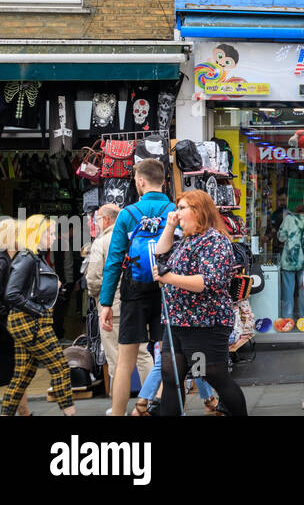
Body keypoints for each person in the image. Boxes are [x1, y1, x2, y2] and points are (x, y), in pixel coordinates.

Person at [151, 189, 248, 416]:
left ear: (198, 211)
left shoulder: (214, 240)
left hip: (204, 324)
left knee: (212, 374)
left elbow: (209, 281)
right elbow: (160, 255)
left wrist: (170, 278)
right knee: (171, 376)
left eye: (182, 208)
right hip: (177, 321)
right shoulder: (186, 240)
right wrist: (169, 227)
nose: (176, 213)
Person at [98, 157, 176, 417]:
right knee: (168, 358)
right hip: (168, 288)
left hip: (134, 290)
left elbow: (114, 262)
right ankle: (160, 408)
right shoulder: (175, 210)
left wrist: (106, 303)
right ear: (163, 181)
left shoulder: (127, 214)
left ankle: (118, 413)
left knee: (125, 361)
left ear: (140, 181)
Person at [2, 215, 75, 416]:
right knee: (60, 367)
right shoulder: (27, 257)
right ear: (37, 234)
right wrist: (39, 311)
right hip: (30, 323)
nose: (53, 237)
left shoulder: (34, 257)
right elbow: (11, 293)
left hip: (28, 321)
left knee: (22, 376)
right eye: (49, 233)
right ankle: (70, 413)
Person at [84, 203, 152, 405]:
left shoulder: (101, 241)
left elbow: (93, 278)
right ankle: (151, 400)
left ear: (106, 219)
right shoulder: (133, 236)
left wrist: (96, 295)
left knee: (116, 358)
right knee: (142, 354)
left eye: (97, 219)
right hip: (136, 302)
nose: (95, 223)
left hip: (111, 307)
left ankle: (118, 406)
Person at [276, 200, 304, 320]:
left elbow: (281, 237)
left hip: (289, 260)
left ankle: (288, 319)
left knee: (288, 291)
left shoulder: (289, 219)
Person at [0, 217, 22, 415]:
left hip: (9, 323)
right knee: (14, 372)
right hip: (5, 326)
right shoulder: (3, 262)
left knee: (18, 372)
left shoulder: (13, 259)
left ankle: (22, 412)